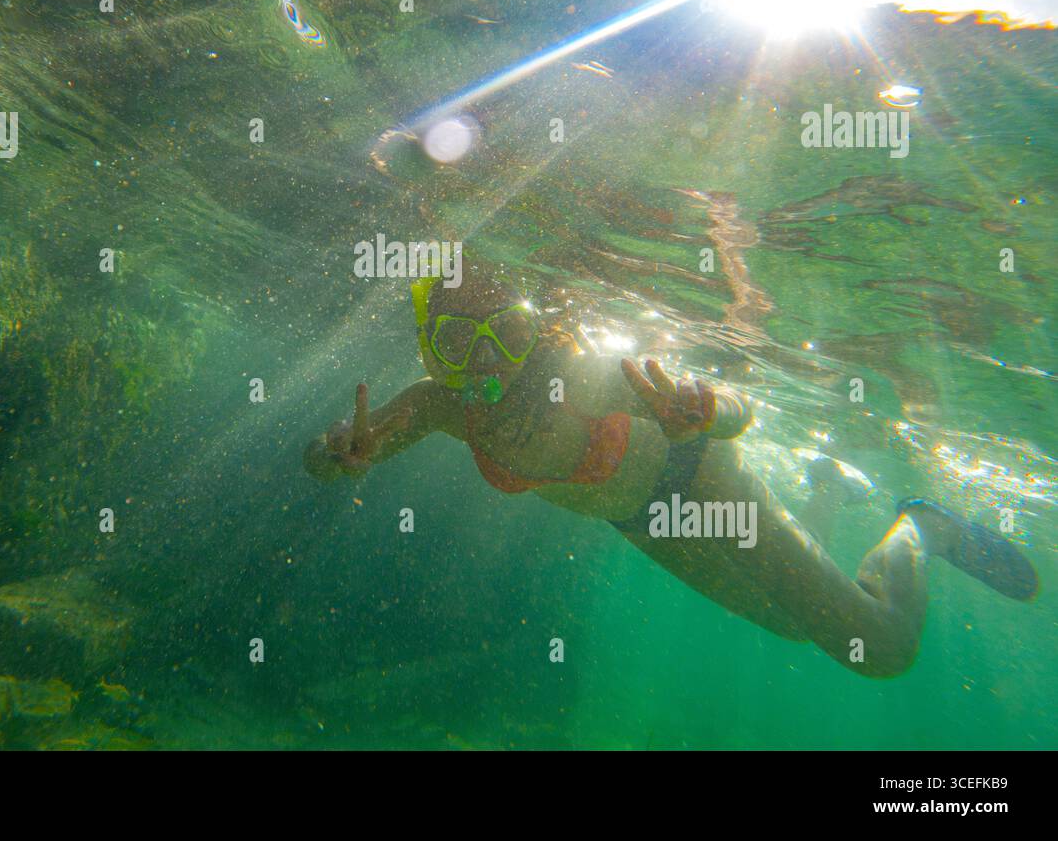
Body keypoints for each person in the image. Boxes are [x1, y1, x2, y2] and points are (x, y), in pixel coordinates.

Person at [304, 260, 1038, 677]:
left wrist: (709, 409)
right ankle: (824, 485)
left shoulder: (584, 374)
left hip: (702, 479)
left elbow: (743, 408)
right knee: (794, 626)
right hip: (641, 520)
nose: (489, 360)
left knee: (877, 649)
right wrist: (336, 454)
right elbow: (329, 456)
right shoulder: (437, 406)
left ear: (537, 328)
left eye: (510, 332)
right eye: (461, 341)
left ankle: (924, 526)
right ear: (433, 347)